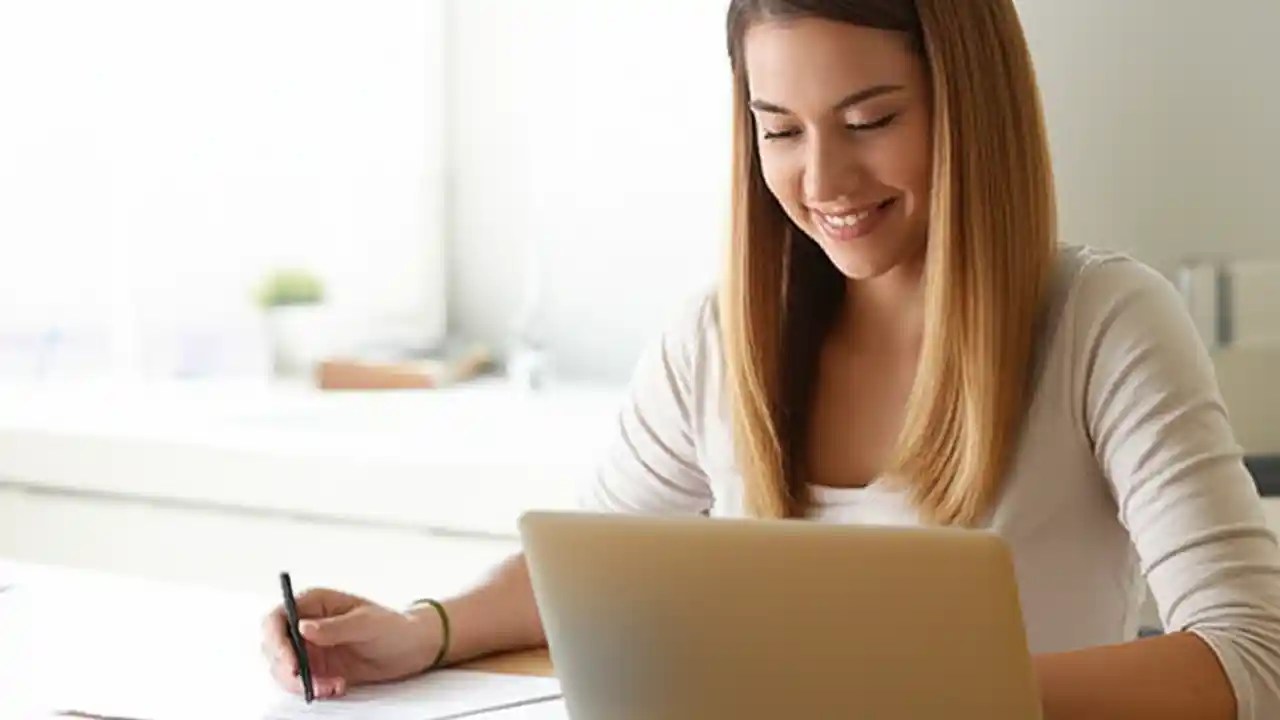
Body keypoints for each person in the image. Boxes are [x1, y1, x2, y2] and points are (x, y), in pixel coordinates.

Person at [261, 1, 1280, 717]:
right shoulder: (717, 336)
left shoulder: (1101, 323)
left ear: (969, 107)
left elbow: (1248, 661)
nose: (822, 178)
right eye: (777, 129)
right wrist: (422, 629)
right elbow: (591, 572)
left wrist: (917, 699)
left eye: (870, 121)